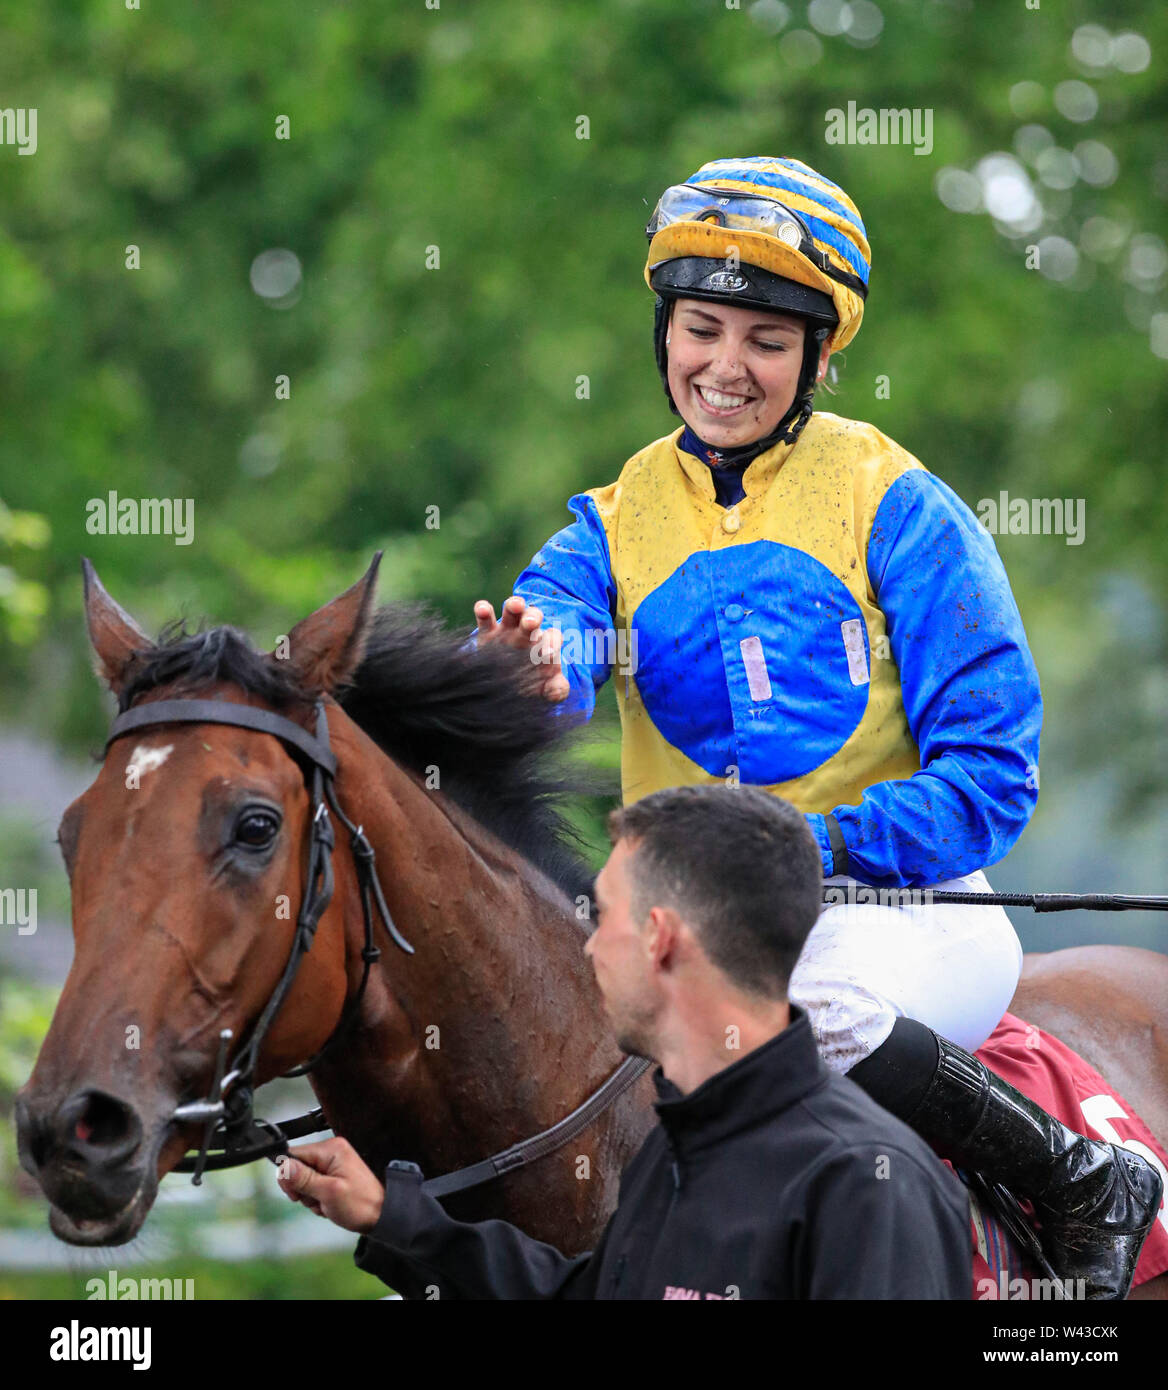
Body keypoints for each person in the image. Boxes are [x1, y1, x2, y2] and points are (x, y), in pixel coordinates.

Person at [467, 156, 1162, 1298]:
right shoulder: (607, 522)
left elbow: (991, 776)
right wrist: (525, 672)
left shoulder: (900, 505)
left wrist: (808, 850)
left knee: (793, 1017)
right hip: (682, 926)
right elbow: (556, 650)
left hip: (899, 917)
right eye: (701, 329)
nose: (724, 369)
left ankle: (1084, 1178)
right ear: (664, 333)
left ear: (818, 358)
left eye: (766, 342)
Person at [278, 786, 973, 1299]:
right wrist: (392, 1217)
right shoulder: (675, 1148)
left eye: (601, 915)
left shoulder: (868, 1186)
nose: (587, 946)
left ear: (661, 938)